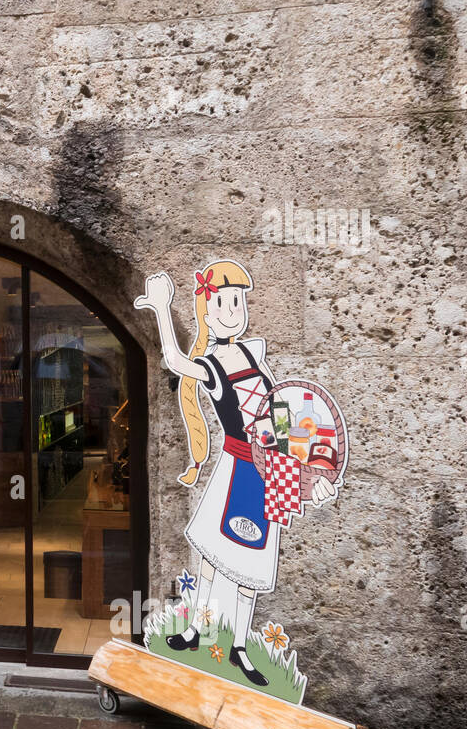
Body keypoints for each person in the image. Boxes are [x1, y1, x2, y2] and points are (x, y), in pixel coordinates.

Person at [134, 261, 337, 686]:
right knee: (211, 557)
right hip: (233, 466)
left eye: (239, 301)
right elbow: (174, 360)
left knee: (250, 566)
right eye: (223, 302)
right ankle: (195, 631)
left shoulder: (252, 353)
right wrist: (161, 308)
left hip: (269, 469)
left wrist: (307, 473)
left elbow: (285, 417)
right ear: (207, 310)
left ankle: (240, 648)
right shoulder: (210, 365)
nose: (233, 310)